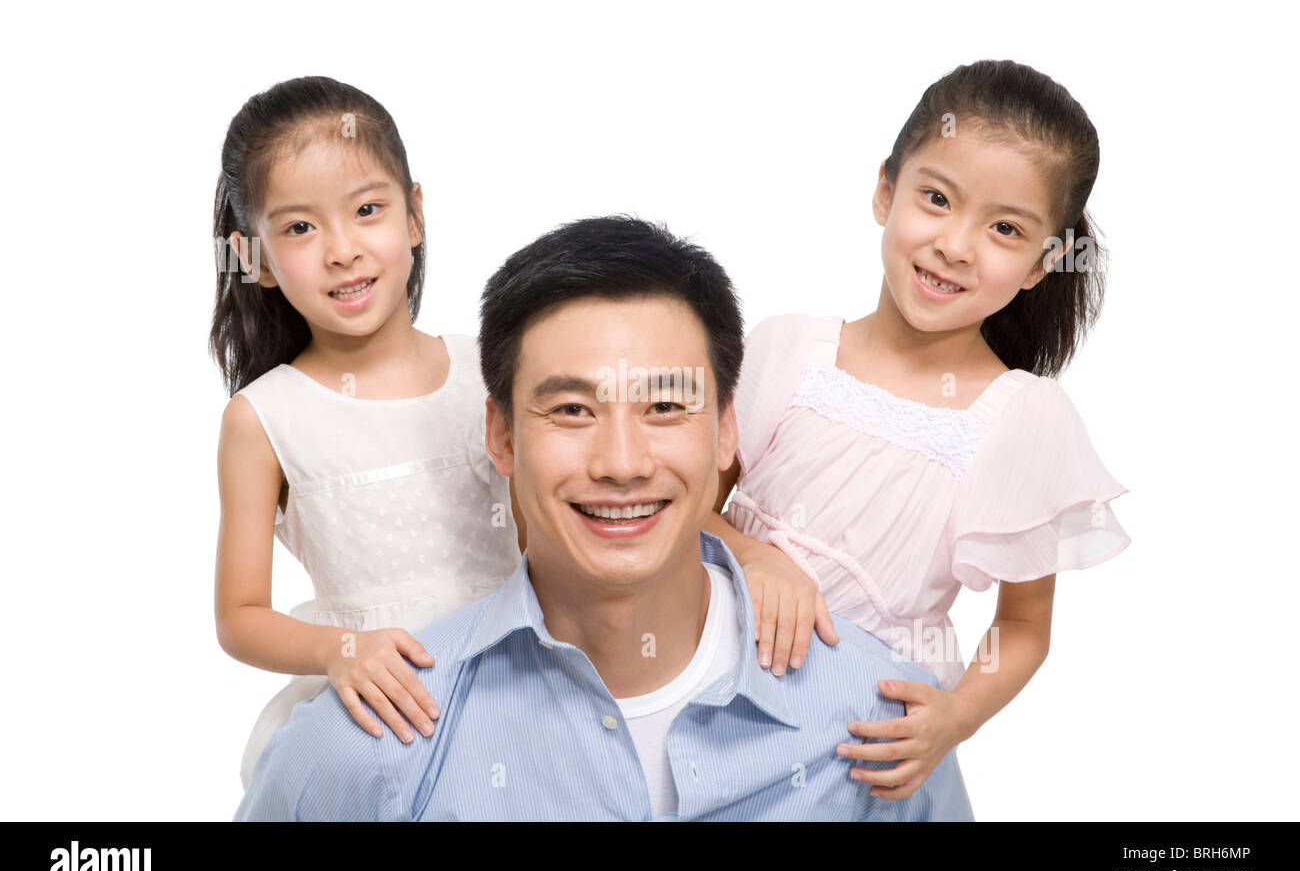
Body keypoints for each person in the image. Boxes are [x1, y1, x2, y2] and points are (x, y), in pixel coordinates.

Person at [235, 216, 974, 821]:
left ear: (725, 431)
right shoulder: (367, 744)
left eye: (663, 408)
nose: (621, 461)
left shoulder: (881, 718)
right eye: (571, 411)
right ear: (500, 437)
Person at [705, 60, 1131, 802]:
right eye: (937, 199)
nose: (956, 246)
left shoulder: (1021, 418)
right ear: (884, 190)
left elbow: (1025, 626)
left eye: (1005, 228)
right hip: (709, 691)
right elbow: (685, 512)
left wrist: (954, 718)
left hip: (859, 748)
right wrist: (752, 556)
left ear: (1043, 264)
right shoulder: (786, 349)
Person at [210, 76, 524, 791]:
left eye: (368, 210)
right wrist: (344, 650)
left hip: (515, 687)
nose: (342, 250)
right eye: (299, 228)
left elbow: (545, 551)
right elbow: (240, 617)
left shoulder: (490, 368)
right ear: (252, 256)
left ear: (414, 214)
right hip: (377, 719)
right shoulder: (263, 418)